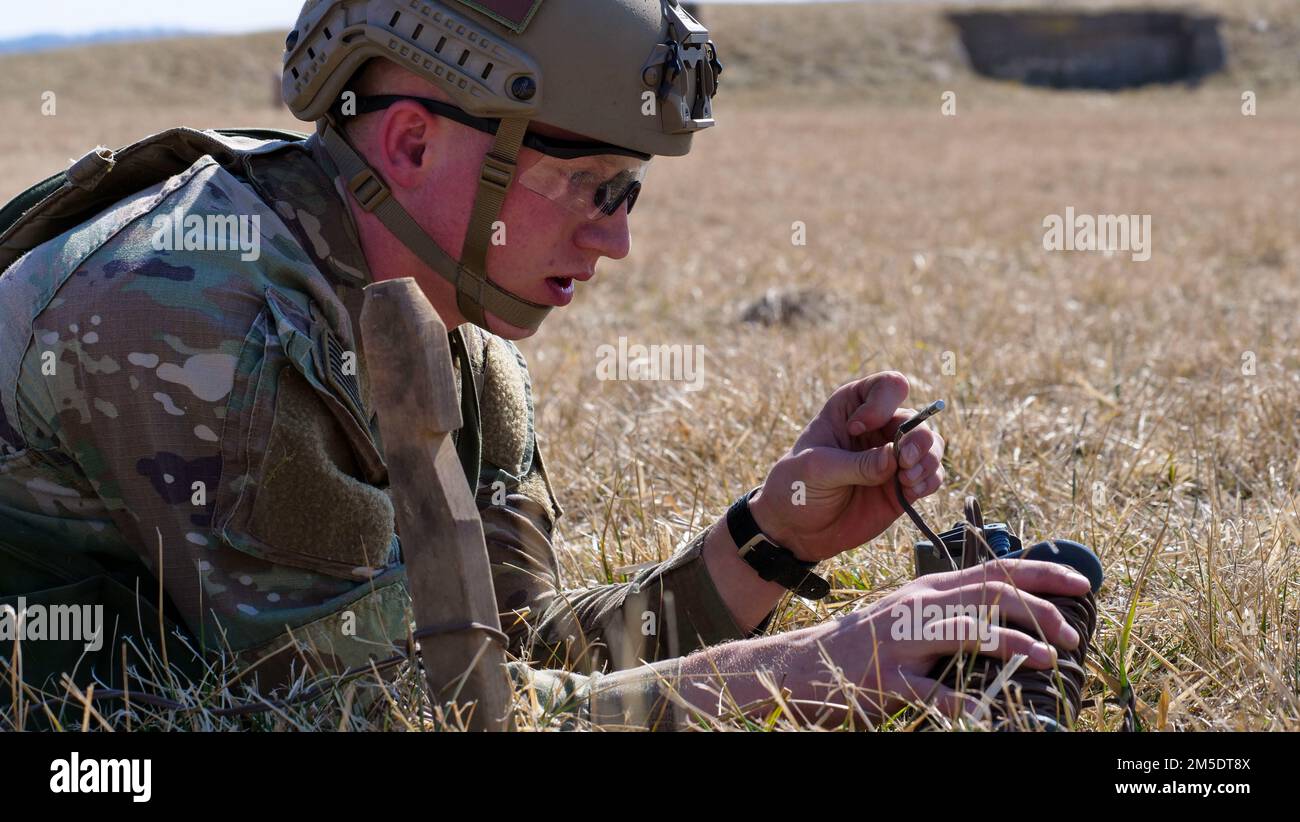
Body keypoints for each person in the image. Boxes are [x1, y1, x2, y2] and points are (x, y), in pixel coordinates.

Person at [0, 0, 1085, 729]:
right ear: (415, 145)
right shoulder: (196, 316)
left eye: (632, 192)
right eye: (592, 186)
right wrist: (815, 667)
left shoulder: (452, 336)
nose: (616, 240)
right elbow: (393, 718)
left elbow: (498, 659)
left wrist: (766, 540)